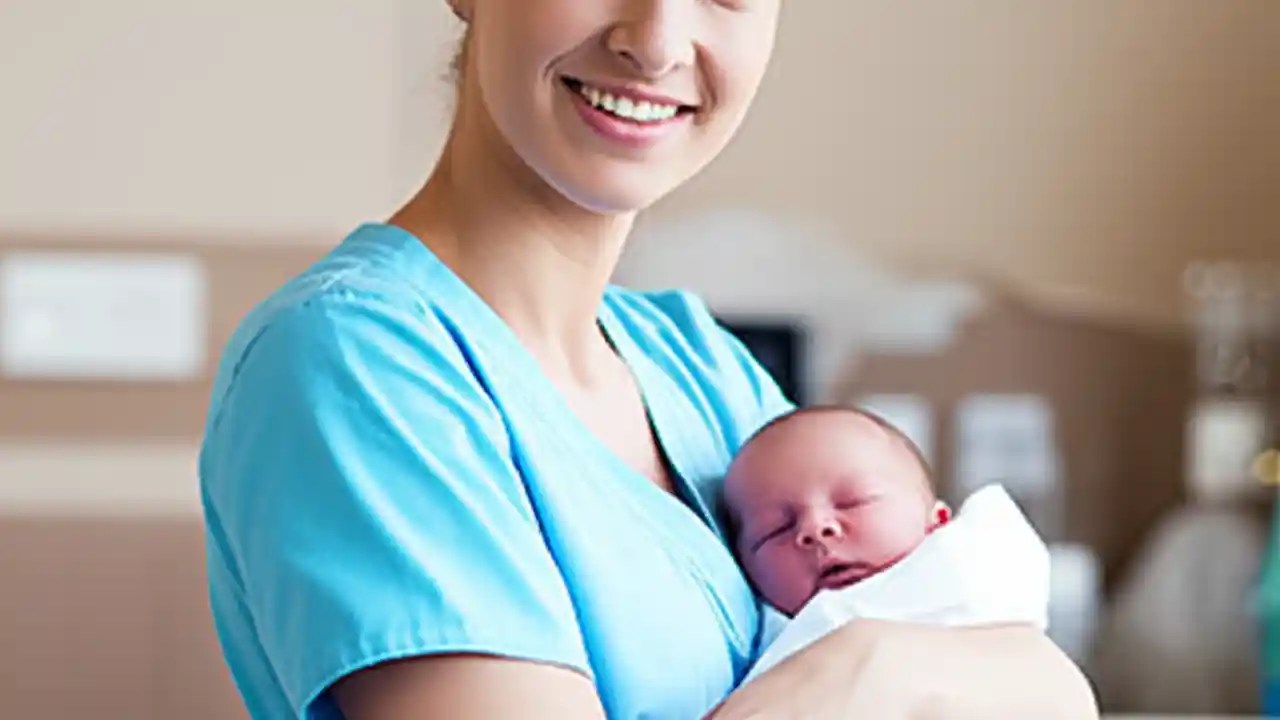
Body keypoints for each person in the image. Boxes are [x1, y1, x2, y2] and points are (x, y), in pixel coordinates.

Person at [198, 1, 1099, 718]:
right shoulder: (357, 367)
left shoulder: (698, 365)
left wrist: (874, 660)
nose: (658, 39)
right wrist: (887, 671)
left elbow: (1057, 691)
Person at [722, 407, 1051, 682]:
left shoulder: (965, 571)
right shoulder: (769, 649)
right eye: (775, 529)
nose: (815, 528)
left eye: (854, 501)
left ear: (936, 522)